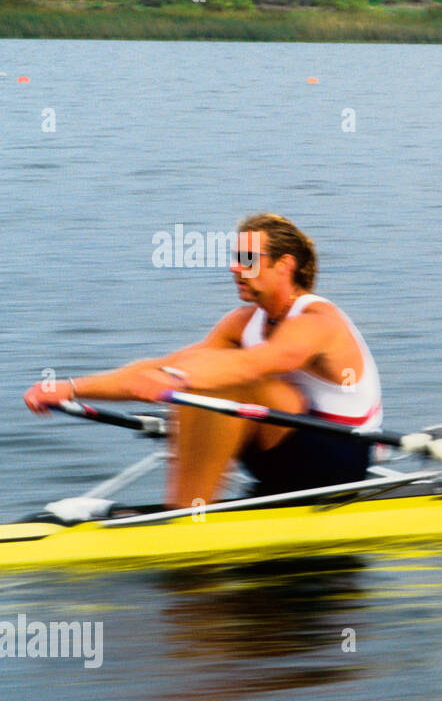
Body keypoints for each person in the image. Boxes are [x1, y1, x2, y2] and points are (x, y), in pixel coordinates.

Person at [23, 213, 382, 508]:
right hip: (281, 453)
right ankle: (184, 511)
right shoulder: (242, 322)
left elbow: (255, 364)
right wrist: (68, 388)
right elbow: (164, 365)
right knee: (201, 367)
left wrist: (177, 382)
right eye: (234, 258)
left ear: (284, 265)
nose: (233, 268)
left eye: (247, 260)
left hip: (340, 459)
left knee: (222, 379)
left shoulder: (318, 322)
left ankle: (184, 521)